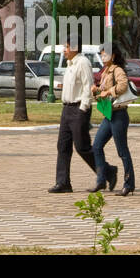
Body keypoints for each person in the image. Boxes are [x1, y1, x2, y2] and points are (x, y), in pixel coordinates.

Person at [49, 39, 99, 193]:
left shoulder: (83, 62)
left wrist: (83, 109)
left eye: (67, 47)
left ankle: (105, 172)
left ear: (75, 48)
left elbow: (87, 86)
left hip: (79, 109)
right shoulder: (70, 64)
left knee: (82, 147)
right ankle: (63, 183)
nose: (64, 50)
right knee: (63, 146)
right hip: (67, 109)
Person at [91, 47, 135, 195]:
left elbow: (123, 85)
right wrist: (96, 91)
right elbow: (102, 95)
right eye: (102, 54)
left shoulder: (117, 70)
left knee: (122, 151)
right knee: (97, 146)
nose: (103, 57)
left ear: (113, 55)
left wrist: (109, 91)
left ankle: (129, 184)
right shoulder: (105, 72)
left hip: (119, 115)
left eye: (106, 54)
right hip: (109, 115)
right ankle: (101, 180)